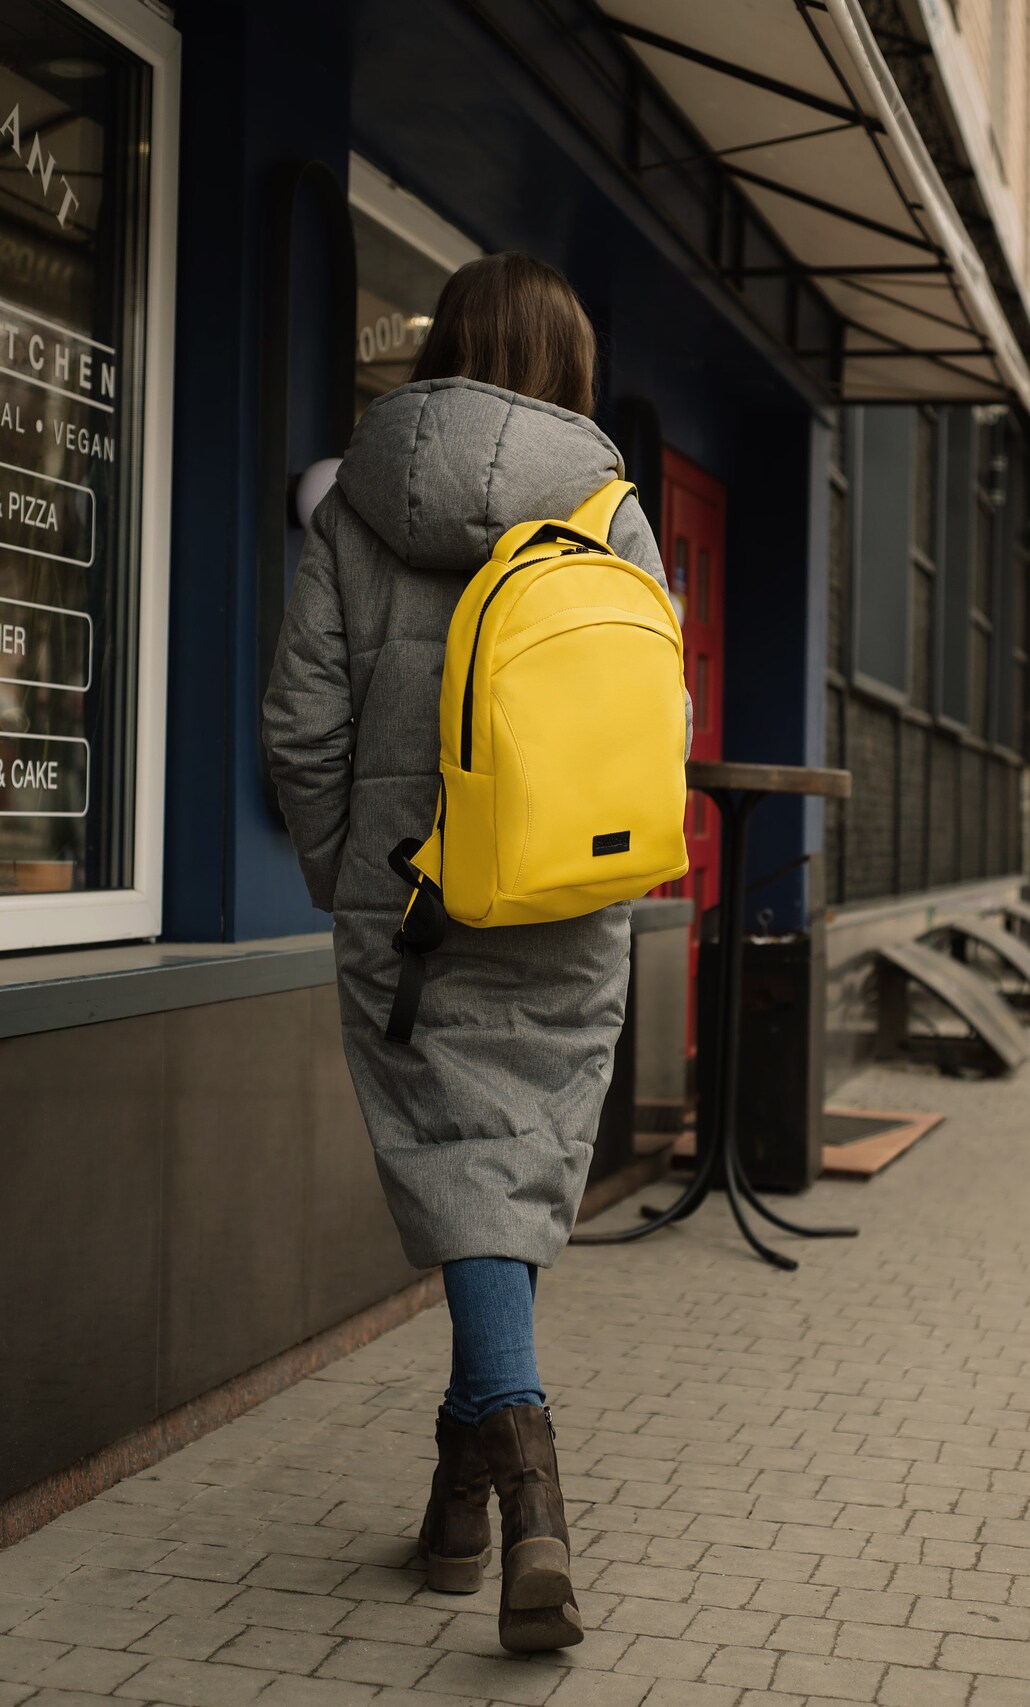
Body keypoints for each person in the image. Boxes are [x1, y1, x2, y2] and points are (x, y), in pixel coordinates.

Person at [263, 251, 690, 1655]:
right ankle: (468, 1505)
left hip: (411, 905)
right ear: (567, 371)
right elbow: (648, 719)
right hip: (568, 897)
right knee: (502, 1170)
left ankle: (521, 1487)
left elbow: (303, 727)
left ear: (442, 347)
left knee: (467, 1171)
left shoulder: (352, 508)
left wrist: (345, 880)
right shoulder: (611, 512)